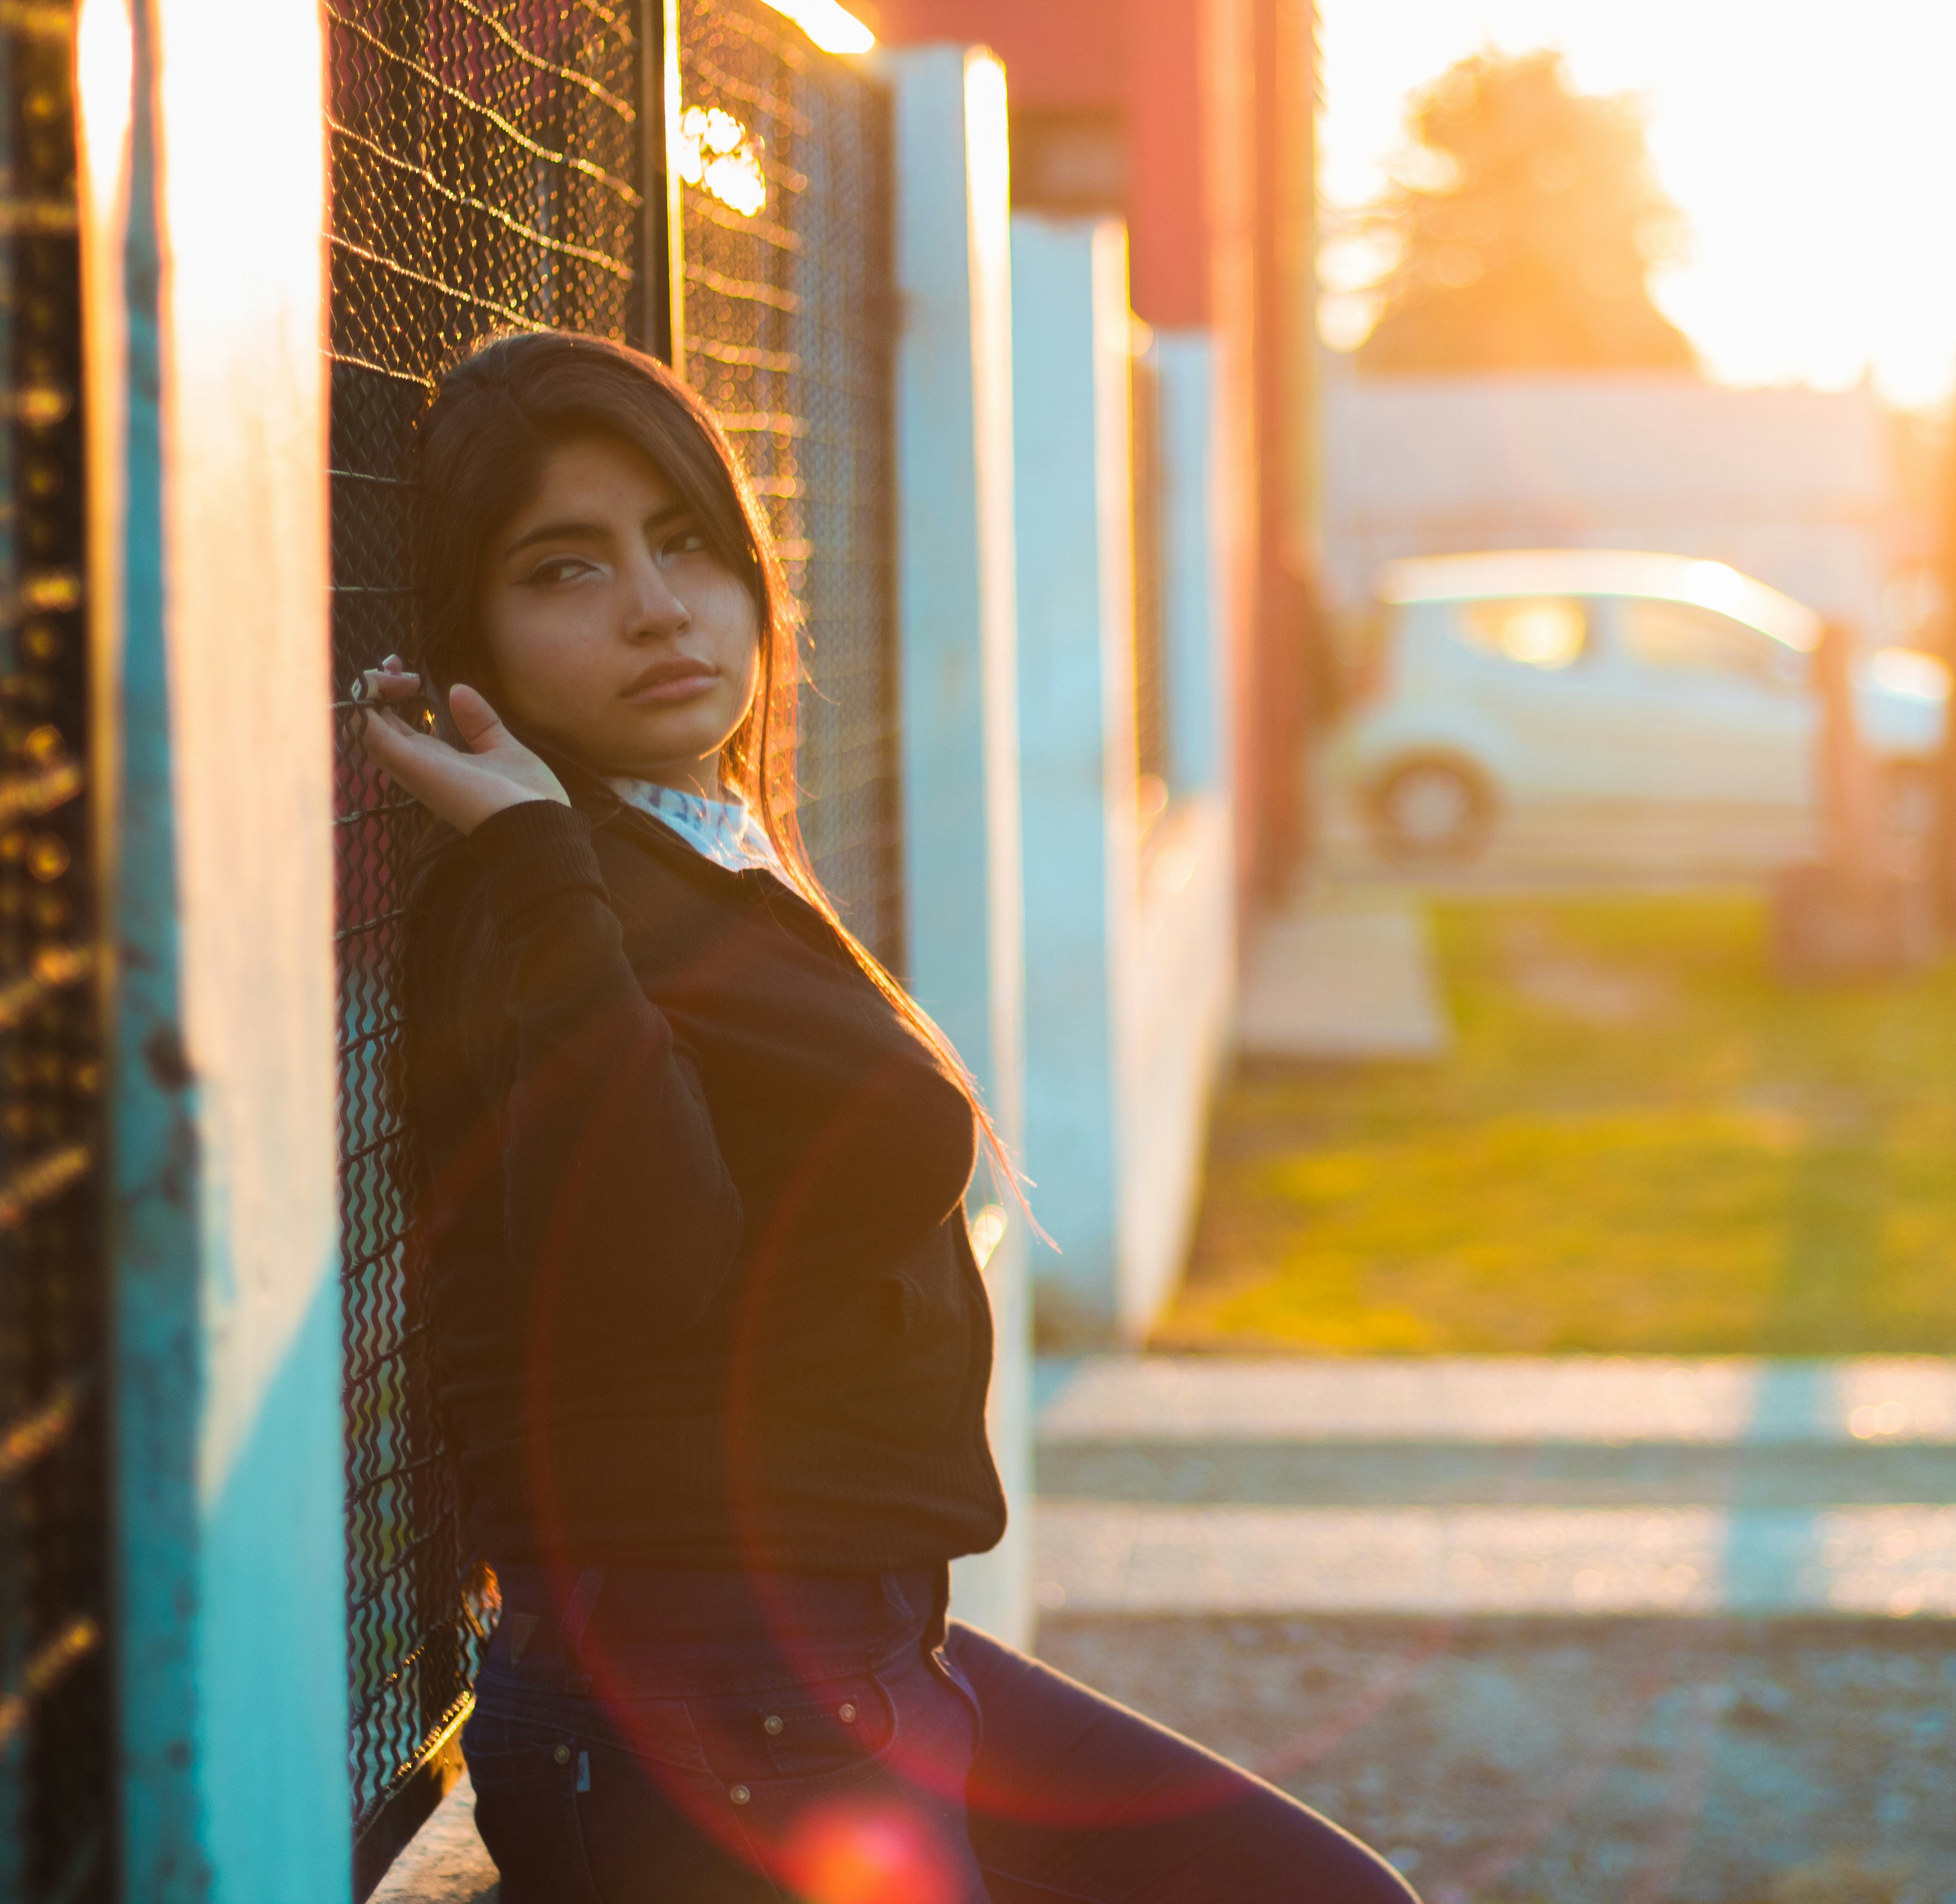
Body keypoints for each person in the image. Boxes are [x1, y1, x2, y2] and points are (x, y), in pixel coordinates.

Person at [354, 329, 1415, 1904]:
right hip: (697, 1708)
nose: (656, 604)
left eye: (687, 541)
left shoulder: (690, 855)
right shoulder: (531, 909)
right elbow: (645, 1255)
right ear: (475, 642)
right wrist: (523, 852)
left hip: (853, 1661)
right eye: (564, 570)